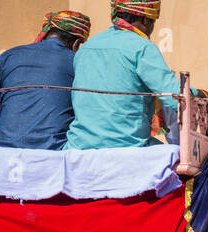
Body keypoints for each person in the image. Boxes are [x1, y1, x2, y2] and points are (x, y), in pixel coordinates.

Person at [66, 2, 182, 150]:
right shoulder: (143, 47)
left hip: (79, 145)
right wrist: (202, 95)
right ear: (146, 21)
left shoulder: (86, 48)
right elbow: (175, 98)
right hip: (128, 145)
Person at [0, 11, 91, 151]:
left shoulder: (10, 55)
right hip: (52, 154)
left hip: (4, 152)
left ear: (46, 33)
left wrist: (7, 123)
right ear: (76, 43)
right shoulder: (78, 62)